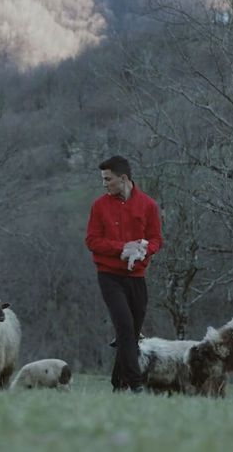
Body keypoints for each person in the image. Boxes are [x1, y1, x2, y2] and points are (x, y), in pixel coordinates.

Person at [84, 155, 162, 393]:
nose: (104, 183)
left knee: (129, 333)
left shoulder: (148, 205)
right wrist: (122, 248)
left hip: (137, 278)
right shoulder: (99, 205)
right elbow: (92, 241)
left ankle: (118, 385)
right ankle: (136, 387)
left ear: (123, 178)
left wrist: (145, 249)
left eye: (108, 179)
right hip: (109, 276)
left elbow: (157, 238)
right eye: (103, 179)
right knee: (126, 328)